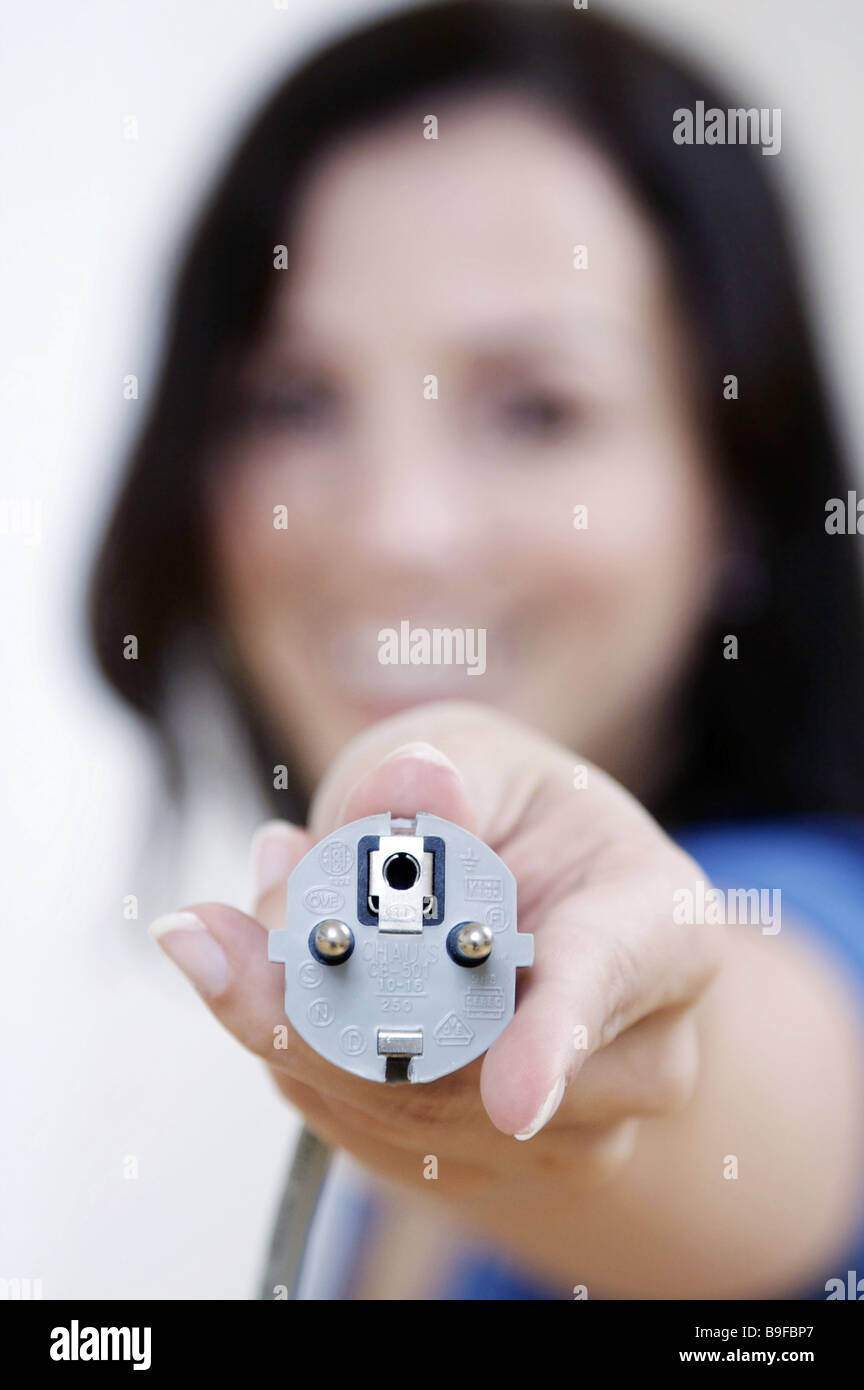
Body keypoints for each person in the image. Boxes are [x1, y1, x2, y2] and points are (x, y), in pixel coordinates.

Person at [89, 0, 864, 1299]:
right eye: (292, 400)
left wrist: (613, 1065)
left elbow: (739, 1090)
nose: (396, 529)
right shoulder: (388, 1073)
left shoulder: (808, 948)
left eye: (536, 409)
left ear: (736, 496)